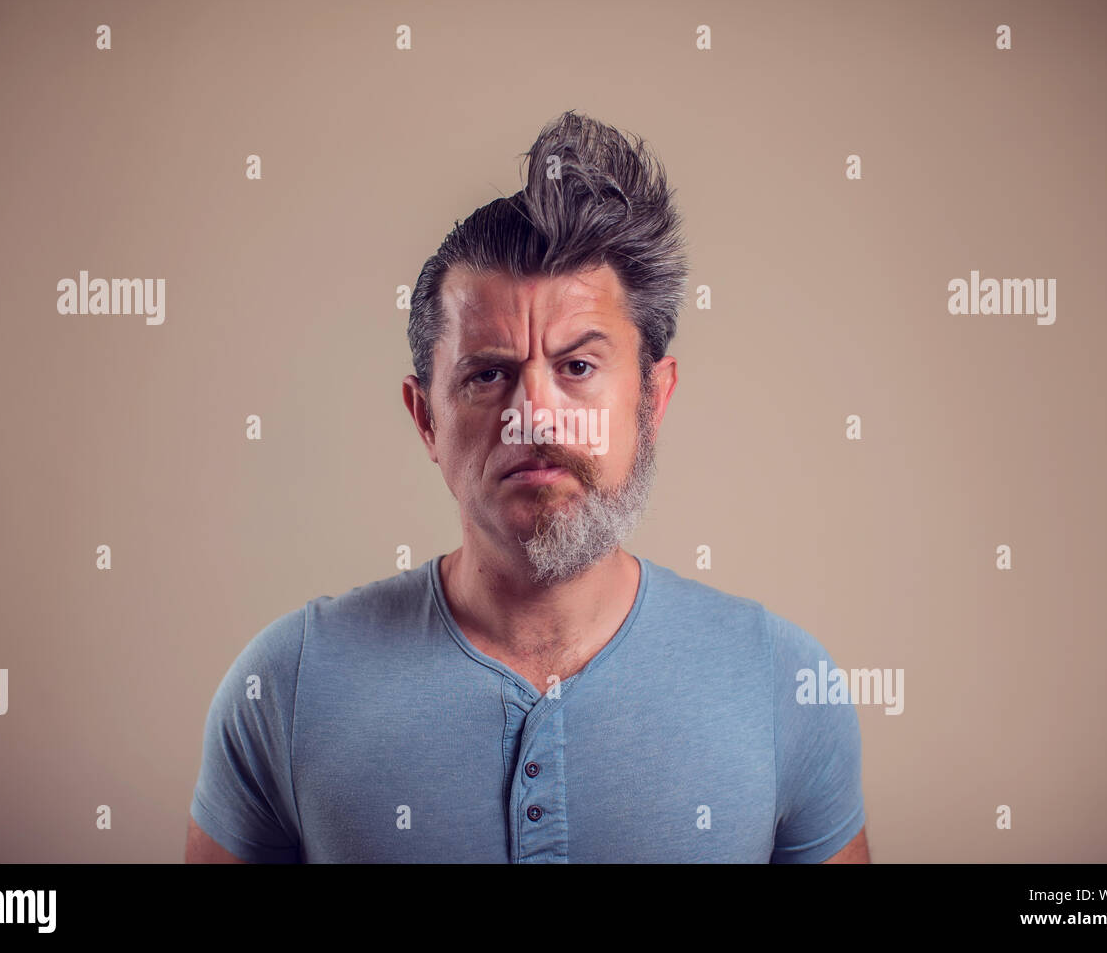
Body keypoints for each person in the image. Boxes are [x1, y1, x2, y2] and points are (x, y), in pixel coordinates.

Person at [185, 110, 868, 863]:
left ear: (652, 400)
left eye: (577, 367)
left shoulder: (785, 685)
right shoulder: (285, 687)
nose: (534, 417)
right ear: (426, 420)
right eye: (488, 374)